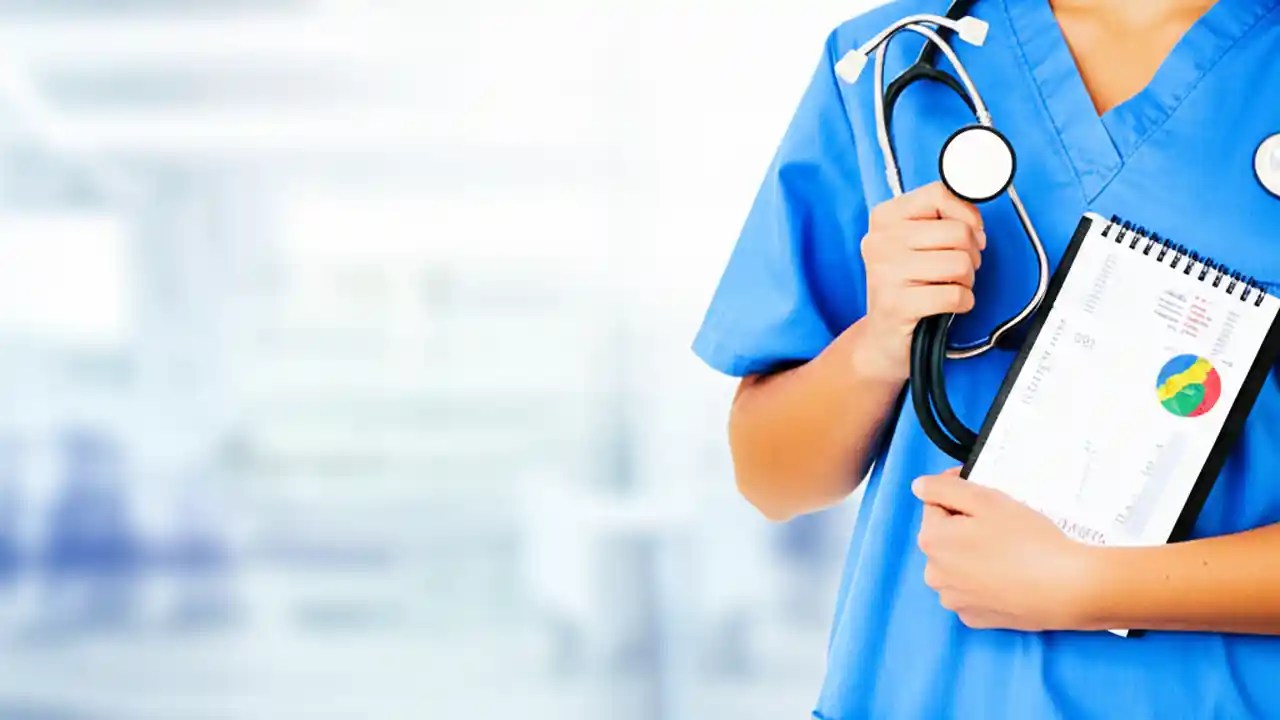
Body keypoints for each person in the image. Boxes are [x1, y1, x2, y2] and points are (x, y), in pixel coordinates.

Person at [692, 0, 1280, 717]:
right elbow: (771, 479)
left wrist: (1087, 587)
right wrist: (881, 343)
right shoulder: (896, 55)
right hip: (922, 693)